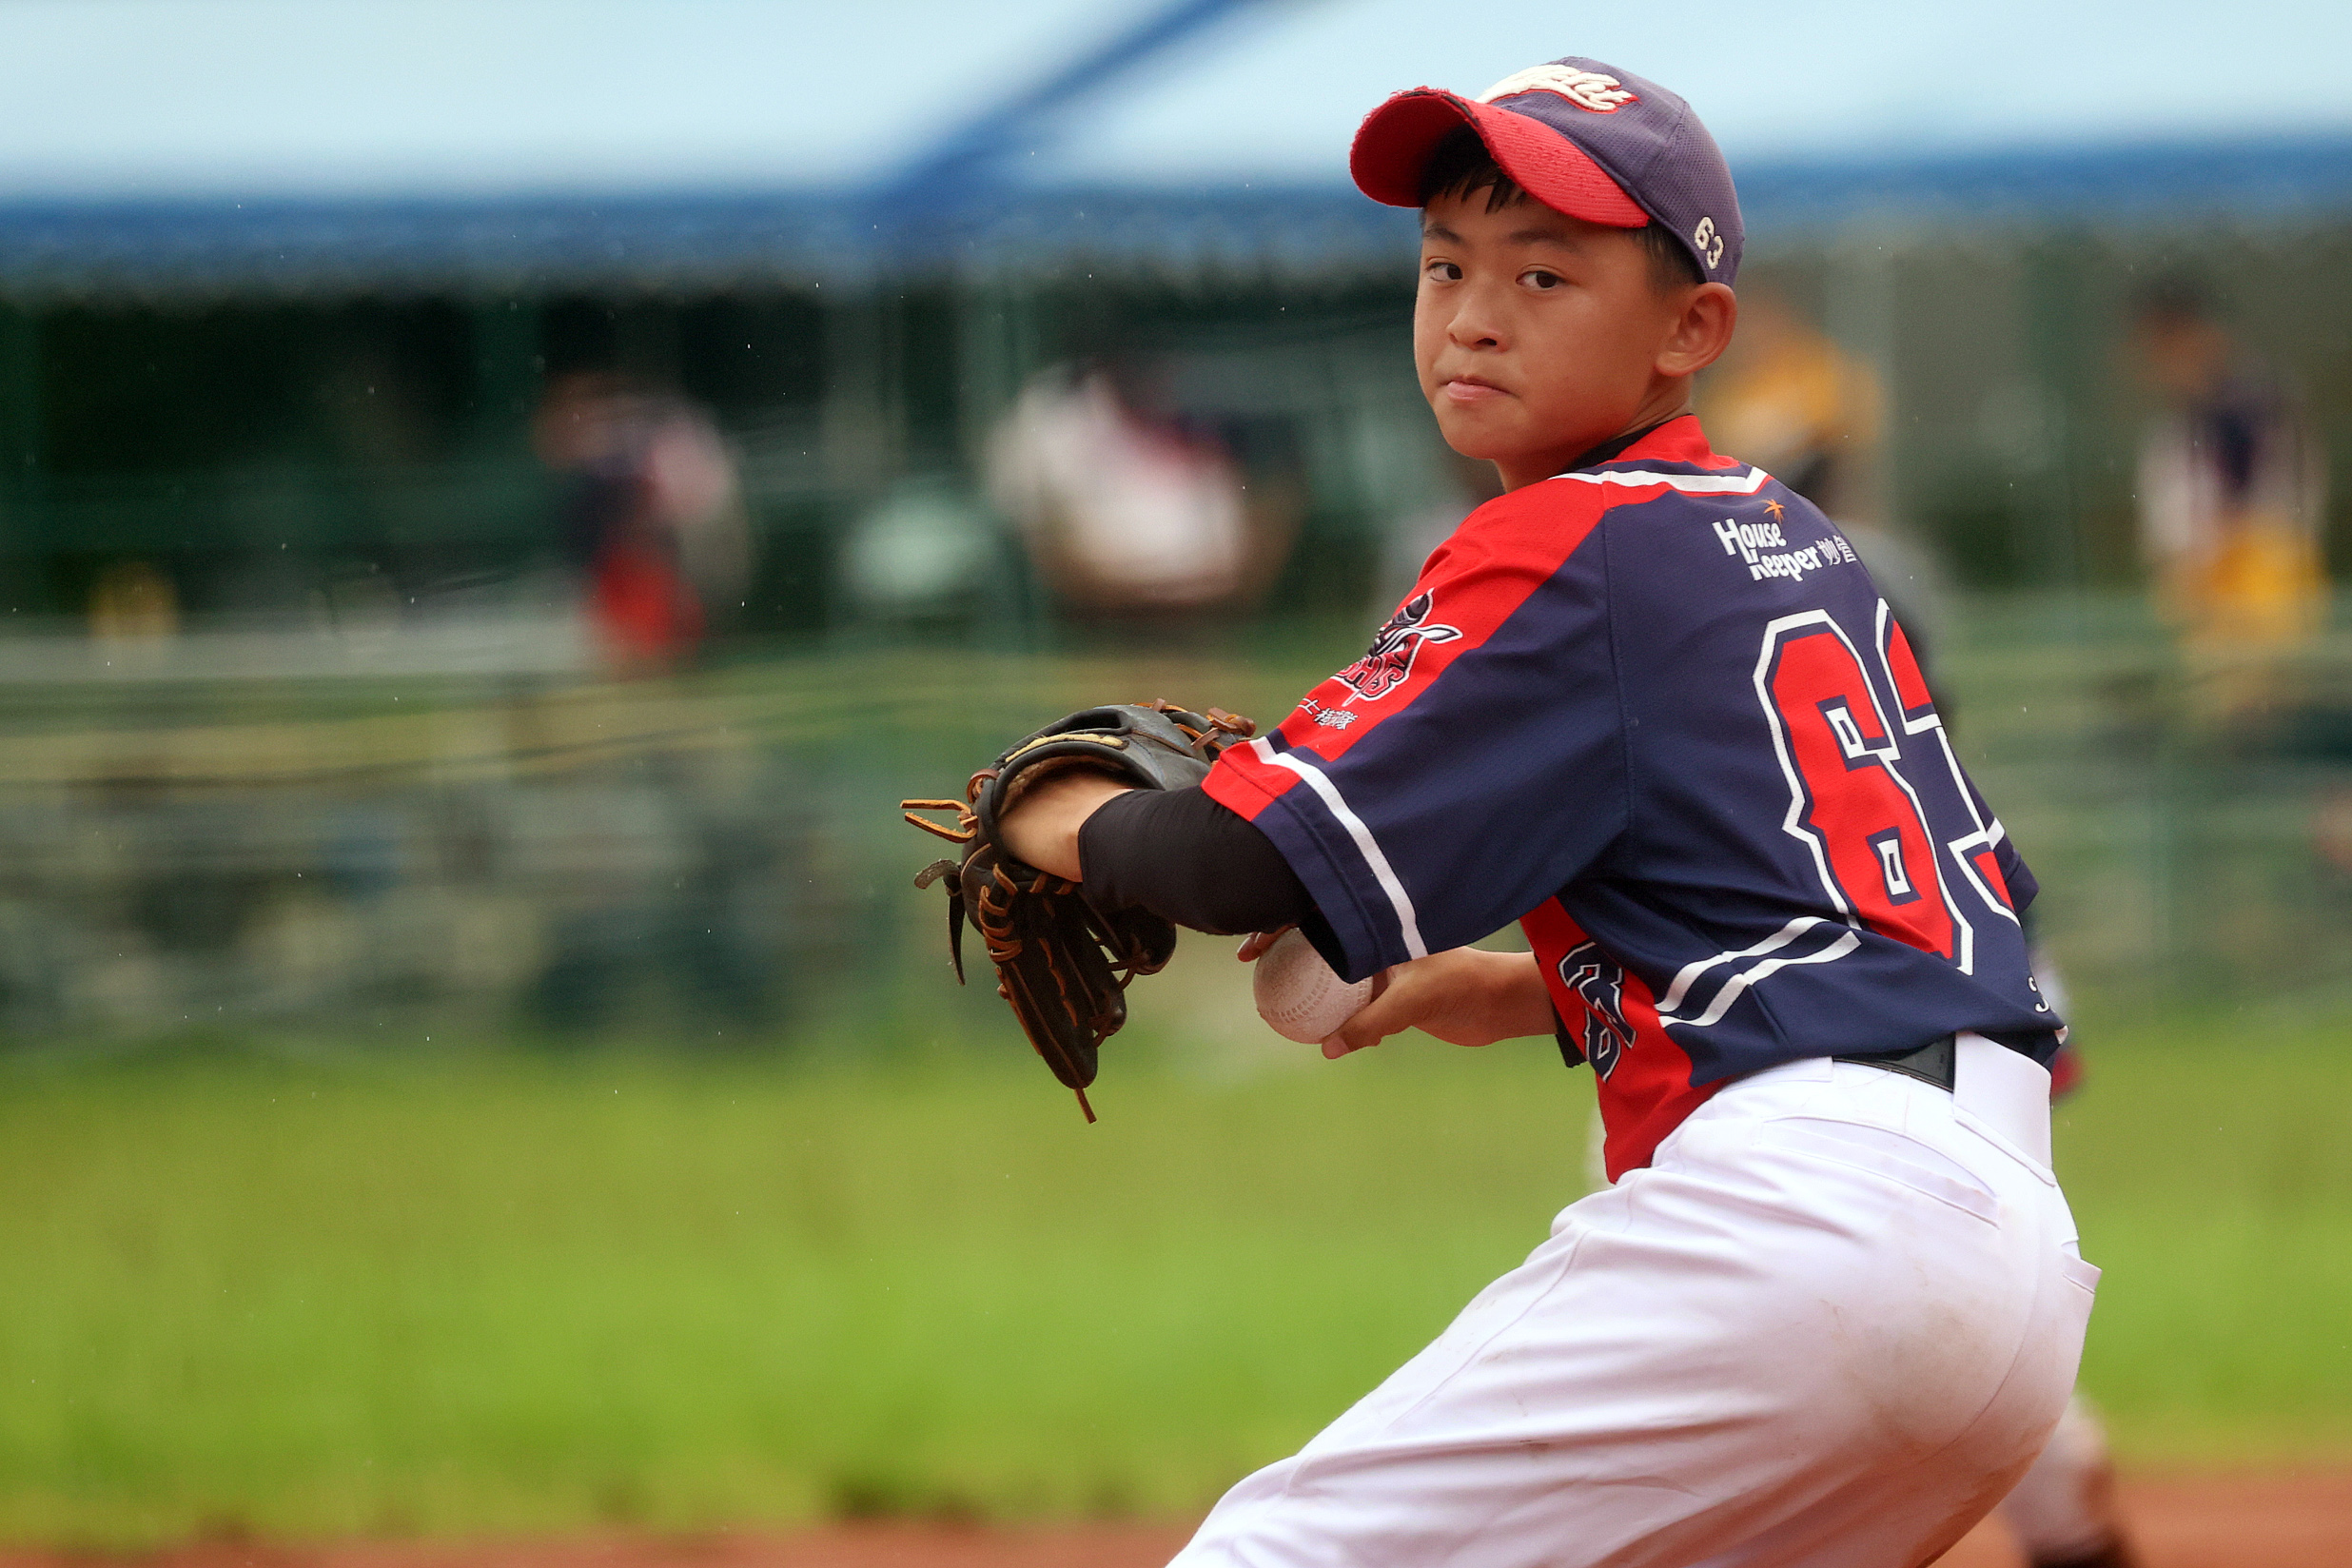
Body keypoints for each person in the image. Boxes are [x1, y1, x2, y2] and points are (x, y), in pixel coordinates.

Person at [998, 57, 2095, 1568]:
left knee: (1274, 1556)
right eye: (1445, 264)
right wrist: (1524, 989)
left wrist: (1045, 813)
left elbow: (1232, 862)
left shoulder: (1563, 537)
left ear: (1690, 331)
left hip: (1805, 1224)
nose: (1473, 312)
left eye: (1544, 271)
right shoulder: (1797, 540)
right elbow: (1868, 920)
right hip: (2008, 1263)